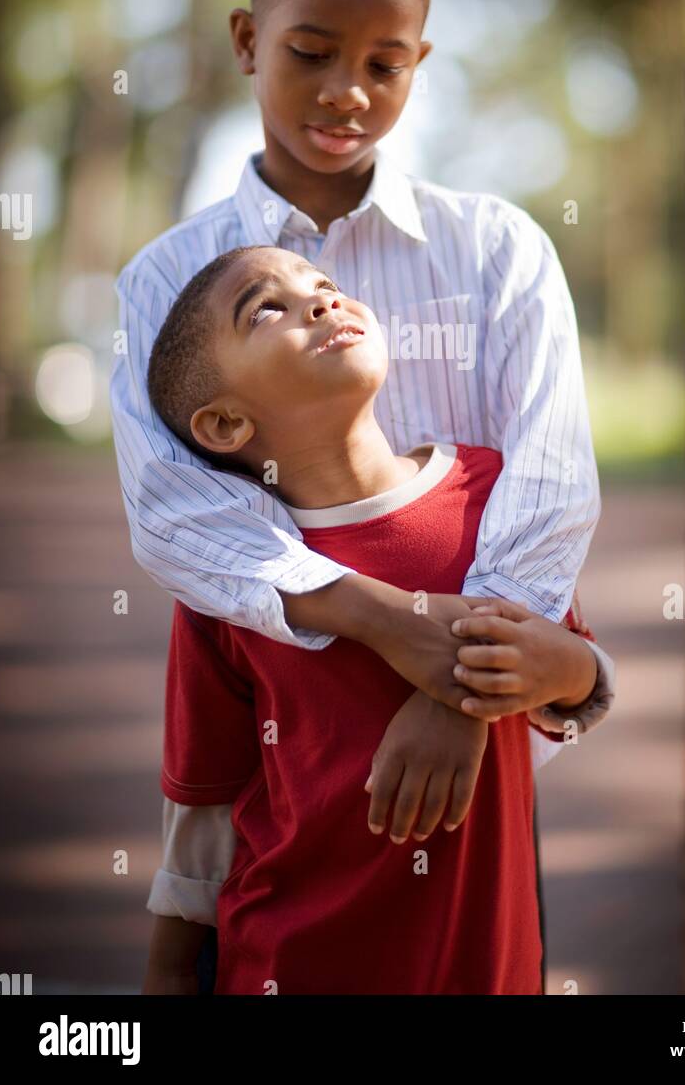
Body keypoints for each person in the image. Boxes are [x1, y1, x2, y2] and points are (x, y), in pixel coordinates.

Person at [109, 0, 607, 986]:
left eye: (385, 64)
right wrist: (395, 627)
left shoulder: (496, 252)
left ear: (419, 62)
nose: (346, 90)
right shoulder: (164, 281)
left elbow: (549, 486)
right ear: (248, 41)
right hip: (288, 829)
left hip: (479, 812)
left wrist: (454, 695)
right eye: (310, 50)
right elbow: (175, 513)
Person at [141, 246, 615, 994]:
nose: (321, 301)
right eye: (267, 308)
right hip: (286, 967)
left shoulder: (497, 500)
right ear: (227, 421)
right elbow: (202, 813)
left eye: (324, 285)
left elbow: (576, 688)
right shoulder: (230, 577)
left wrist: (524, 676)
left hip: (486, 971)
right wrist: (165, 980)